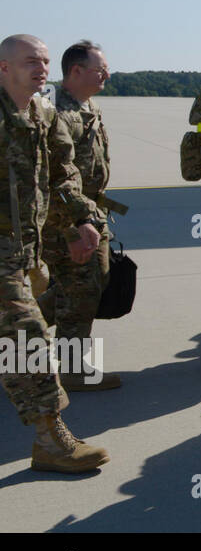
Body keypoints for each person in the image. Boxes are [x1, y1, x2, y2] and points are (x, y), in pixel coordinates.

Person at [0, 34, 110, 473]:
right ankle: (50, 439)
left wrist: (83, 220)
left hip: (25, 250)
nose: (41, 67)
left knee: (22, 332)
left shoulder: (44, 113)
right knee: (29, 336)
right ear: (4, 67)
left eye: (45, 61)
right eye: (31, 61)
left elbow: (64, 177)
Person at [42, 41, 125, 391]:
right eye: (99, 69)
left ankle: (16, 332)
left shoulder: (86, 105)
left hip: (88, 214)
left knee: (78, 286)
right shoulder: (58, 112)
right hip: (68, 219)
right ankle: (73, 371)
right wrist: (76, 227)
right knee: (81, 291)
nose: (106, 74)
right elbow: (53, 179)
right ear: (75, 71)